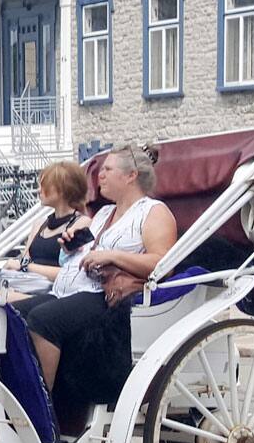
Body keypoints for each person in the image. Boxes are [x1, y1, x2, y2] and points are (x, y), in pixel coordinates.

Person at [13, 145, 177, 391]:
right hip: (71, 290)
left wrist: (112, 255)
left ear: (131, 176)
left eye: (108, 169)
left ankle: (42, 407)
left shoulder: (153, 212)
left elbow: (163, 264)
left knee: (42, 319)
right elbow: (88, 251)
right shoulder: (104, 213)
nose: (100, 175)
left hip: (105, 296)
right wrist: (71, 248)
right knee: (11, 314)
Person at [0, 160, 95, 301]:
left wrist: (26, 267)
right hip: (28, 288)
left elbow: (71, 273)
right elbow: (24, 261)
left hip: (53, 294)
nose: (39, 191)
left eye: (44, 186)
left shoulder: (82, 224)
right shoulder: (40, 224)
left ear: (62, 189)